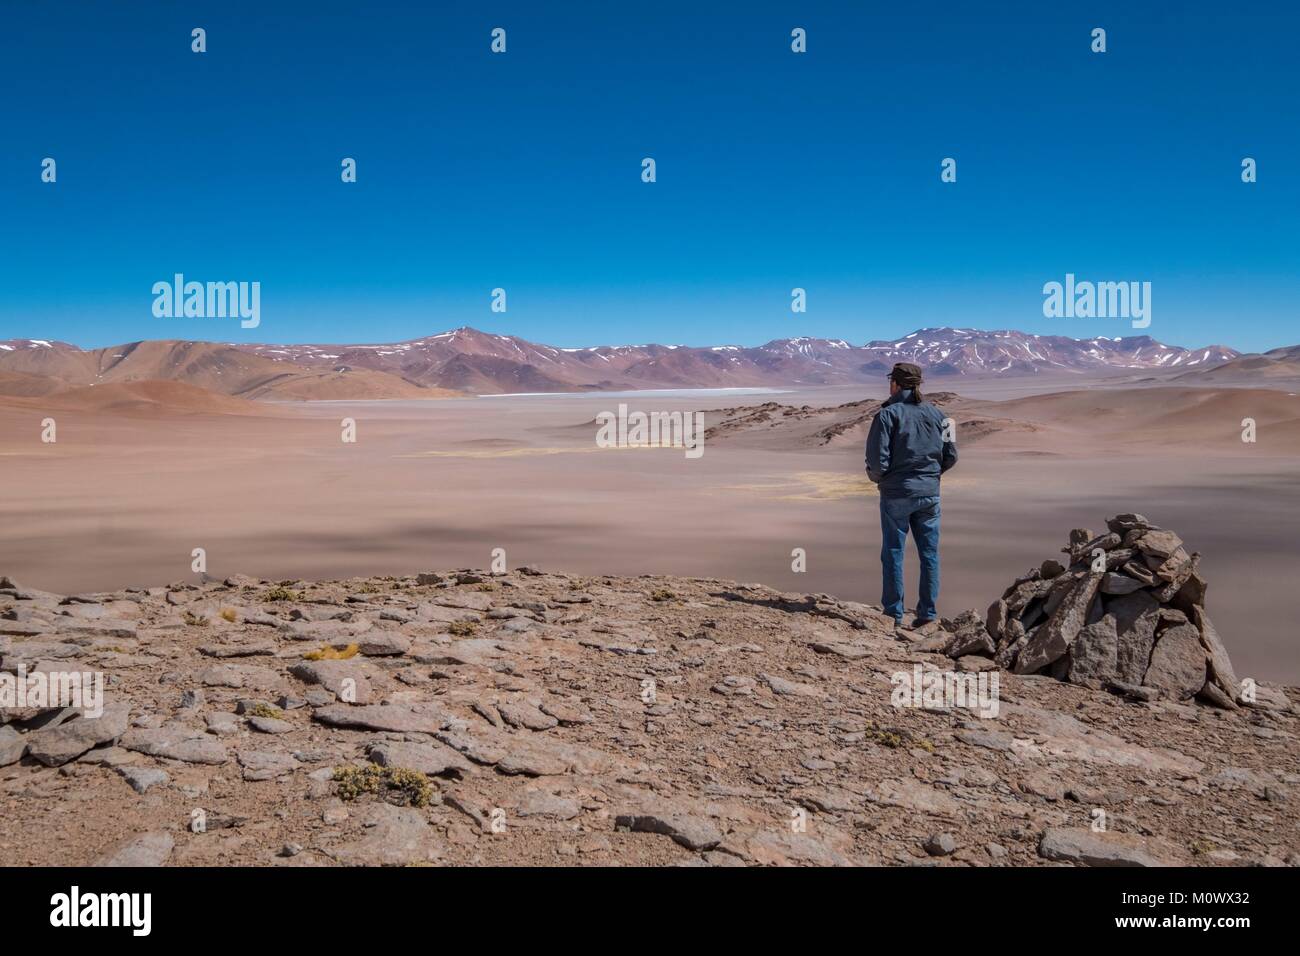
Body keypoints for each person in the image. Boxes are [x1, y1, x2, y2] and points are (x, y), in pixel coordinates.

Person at [865, 362, 958, 628]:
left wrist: (882, 479)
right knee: (930, 553)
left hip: (896, 494)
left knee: (893, 551)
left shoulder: (886, 415)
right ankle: (927, 613)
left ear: (894, 384)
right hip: (929, 494)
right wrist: (930, 476)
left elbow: (876, 461)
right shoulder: (942, 415)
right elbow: (951, 456)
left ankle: (893, 614)